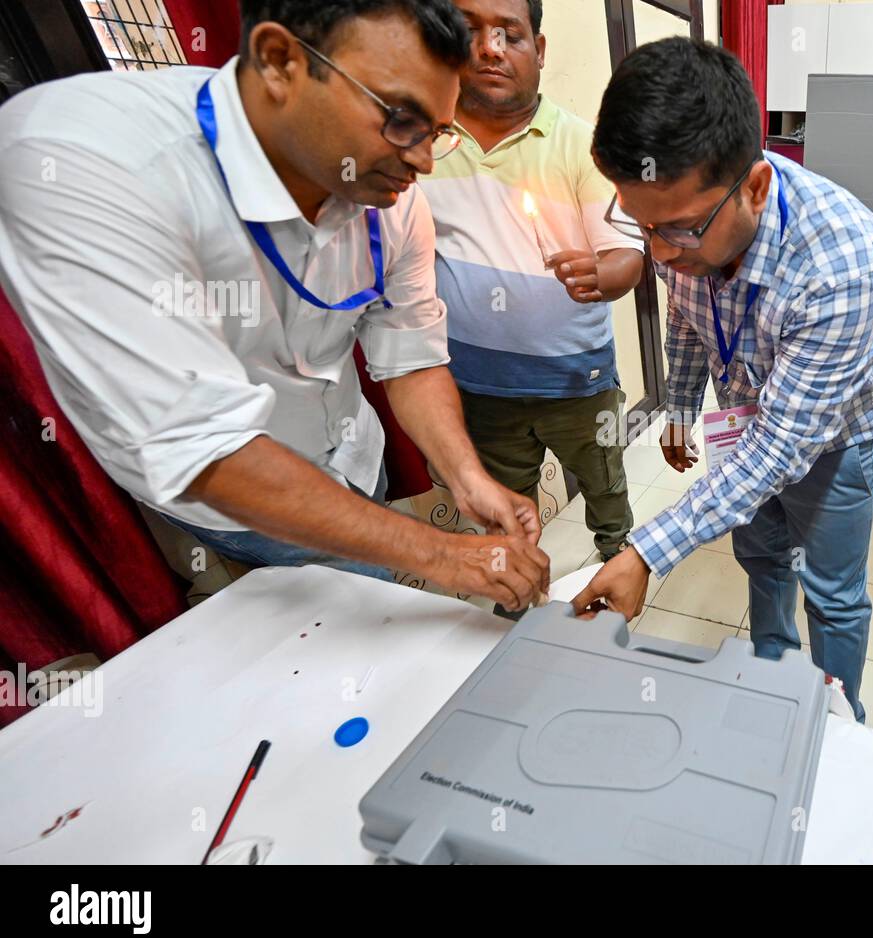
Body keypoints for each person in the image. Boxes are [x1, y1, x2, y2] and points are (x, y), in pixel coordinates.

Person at [0, 0, 549, 611]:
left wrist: (467, 478)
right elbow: (201, 446)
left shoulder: (392, 198)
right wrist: (443, 555)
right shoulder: (85, 162)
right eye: (401, 120)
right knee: (310, 630)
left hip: (352, 452)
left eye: (438, 135)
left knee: (365, 607)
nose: (421, 161)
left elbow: (411, 355)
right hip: (233, 500)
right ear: (281, 61)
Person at [572, 38, 873, 722]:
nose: (659, 253)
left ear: (753, 186)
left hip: (829, 443)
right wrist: (683, 409)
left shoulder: (844, 266)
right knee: (762, 555)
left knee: (832, 591)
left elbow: (781, 450)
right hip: (743, 420)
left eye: (679, 232)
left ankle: (835, 723)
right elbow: (689, 321)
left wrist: (646, 552)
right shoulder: (681, 219)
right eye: (642, 226)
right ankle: (772, 680)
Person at [421, 0, 644, 563]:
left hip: (579, 383)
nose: (491, 48)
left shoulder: (582, 146)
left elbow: (628, 256)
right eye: (472, 32)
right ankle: (517, 596)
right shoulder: (424, 148)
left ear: (538, 51)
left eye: (510, 34)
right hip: (480, 389)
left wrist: (603, 274)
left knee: (606, 489)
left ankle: (617, 568)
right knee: (507, 514)